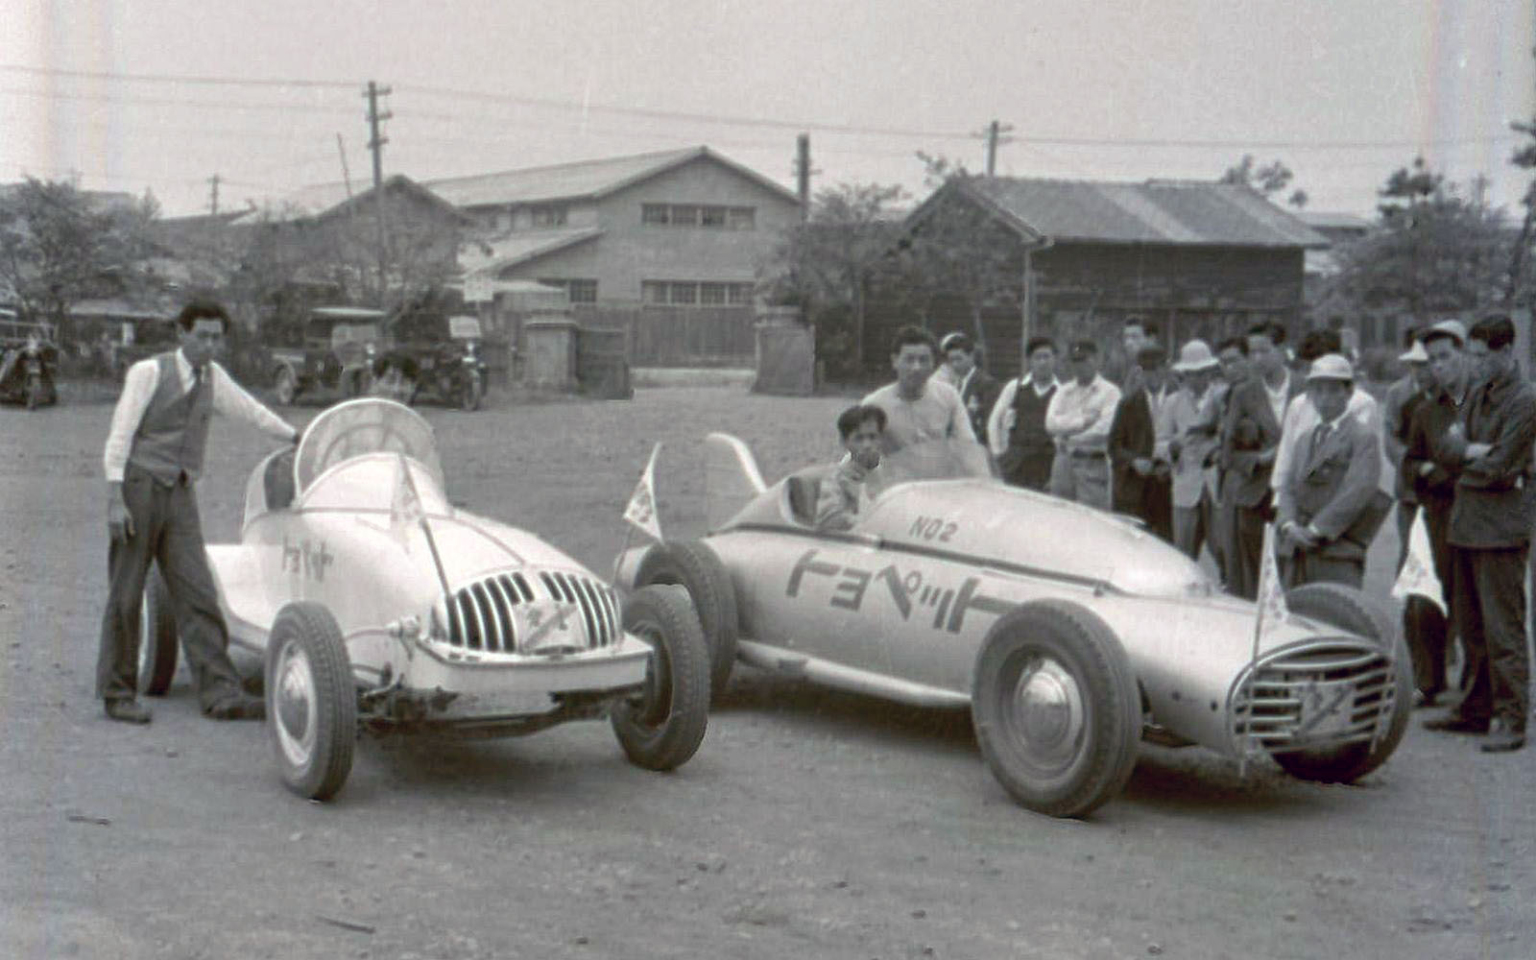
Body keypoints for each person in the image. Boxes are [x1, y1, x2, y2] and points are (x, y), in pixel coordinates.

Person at [97, 299, 298, 724]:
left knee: (198, 590)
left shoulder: (213, 377)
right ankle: (118, 693)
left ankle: (221, 693)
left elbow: (250, 410)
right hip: (139, 487)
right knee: (127, 592)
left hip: (180, 491)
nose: (210, 345)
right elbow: (120, 436)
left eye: (216, 337)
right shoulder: (148, 373)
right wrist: (116, 498)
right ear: (182, 334)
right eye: (202, 335)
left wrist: (298, 436)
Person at [1424, 314, 1535, 753]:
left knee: (1503, 629)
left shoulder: (1525, 401)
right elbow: (1446, 447)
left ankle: (1513, 717)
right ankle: (1476, 708)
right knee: (1472, 627)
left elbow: (1501, 466)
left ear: (1506, 352)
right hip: (1468, 525)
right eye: (1470, 355)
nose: (1475, 364)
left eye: (1482, 356)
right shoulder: (1475, 394)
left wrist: (1467, 461)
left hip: (1502, 531)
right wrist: (1471, 452)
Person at [1401, 319, 1470, 707]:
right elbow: (1410, 462)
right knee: (1427, 599)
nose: (1439, 366)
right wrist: (1426, 470)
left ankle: (1479, 691)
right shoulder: (1425, 412)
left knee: (1474, 606)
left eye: (1446, 357)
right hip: (1438, 514)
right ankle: (1430, 682)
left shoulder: (1483, 405)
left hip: (1478, 515)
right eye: (1433, 359)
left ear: (1464, 357)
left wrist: (1449, 469)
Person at [1274, 355, 1383, 588]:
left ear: (1349, 392)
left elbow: (1358, 490)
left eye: (1334, 391)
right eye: (1318, 391)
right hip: (1296, 547)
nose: (1325, 399)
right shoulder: (1304, 439)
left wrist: (1316, 530)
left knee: (1334, 615)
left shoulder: (1362, 437)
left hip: (1337, 549)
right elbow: (1288, 487)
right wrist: (1289, 525)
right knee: (1293, 615)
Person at [1219, 321, 1296, 599]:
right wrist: (1260, 459)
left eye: (1264, 351)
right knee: (1252, 575)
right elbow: (1227, 453)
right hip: (1253, 495)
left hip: (1295, 494)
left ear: (1283, 349)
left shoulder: (1306, 388)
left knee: (1290, 571)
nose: (1257, 359)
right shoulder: (1243, 393)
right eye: (1252, 352)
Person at [1271, 328, 1379, 506]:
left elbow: (1358, 462)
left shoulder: (1361, 403)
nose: (1312, 375)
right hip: (1299, 497)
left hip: (1338, 499)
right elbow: (1287, 452)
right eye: (1308, 369)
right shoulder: (1298, 404)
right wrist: (1279, 497)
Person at [862, 326, 975, 454]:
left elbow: (968, 443)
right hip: (895, 473)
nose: (916, 367)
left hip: (940, 472)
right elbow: (859, 452)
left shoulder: (949, 396)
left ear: (933, 363)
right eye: (909, 359)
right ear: (895, 361)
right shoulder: (874, 405)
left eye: (923, 360)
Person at [1044, 339, 1121, 510]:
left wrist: (1070, 438)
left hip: (1091, 462)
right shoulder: (1064, 391)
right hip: (1063, 462)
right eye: (1075, 361)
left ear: (1096, 359)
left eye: (1084, 360)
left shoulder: (1110, 392)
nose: (1079, 366)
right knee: (1059, 516)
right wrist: (1084, 421)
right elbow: (1051, 424)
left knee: (1092, 519)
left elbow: (1104, 428)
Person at [1108, 345, 1173, 540]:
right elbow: (1114, 446)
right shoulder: (1128, 403)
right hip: (1137, 487)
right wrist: (1134, 461)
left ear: (1165, 369)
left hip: (1169, 485)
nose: (1151, 375)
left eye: (1156, 369)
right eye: (1146, 370)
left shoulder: (1178, 398)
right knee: (1135, 541)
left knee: (1168, 542)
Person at [1164, 339, 1222, 560]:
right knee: (1183, 554)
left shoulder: (1222, 397)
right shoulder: (1173, 402)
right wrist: (1173, 448)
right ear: (1184, 374)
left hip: (1215, 485)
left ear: (1210, 371)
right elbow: (1159, 442)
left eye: (1202, 372)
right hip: (1185, 486)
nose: (1197, 378)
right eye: (1191, 373)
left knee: (1222, 550)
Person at [1384, 332, 1435, 569]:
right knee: (1407, 549)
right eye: (1415, 365)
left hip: (1441, 483)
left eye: (1425, 364)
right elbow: (1390, 438)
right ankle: (1406, 605)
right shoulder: (1397, 393)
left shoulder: (1447, 393)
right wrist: (1411, 464)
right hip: (1409, 486)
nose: (1420, 371)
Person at [987, 337, 1060, 491]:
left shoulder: (1062, 392)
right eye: (1037, 357)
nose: (1042, 362)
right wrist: (998, 453)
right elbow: (994, 421)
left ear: (1055, 359)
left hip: (1046, 465)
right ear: (1029, 361)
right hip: (1015, 462)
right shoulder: (1015, 387)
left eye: (1047, 357)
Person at [815, 404, 886, 531]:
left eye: (872, 437)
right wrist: (873, 522)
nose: (867, 445)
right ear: (844, 442)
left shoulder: (892, 474)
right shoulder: (835, 479)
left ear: (881, 439)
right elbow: (829, 519)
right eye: (859, 439)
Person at [940, 333, 1001, 446]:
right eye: (951, 360)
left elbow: (990, 423)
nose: (955, 365)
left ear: (971, 356)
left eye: (959, 359)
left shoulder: (986, 384)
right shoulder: (954, 385)